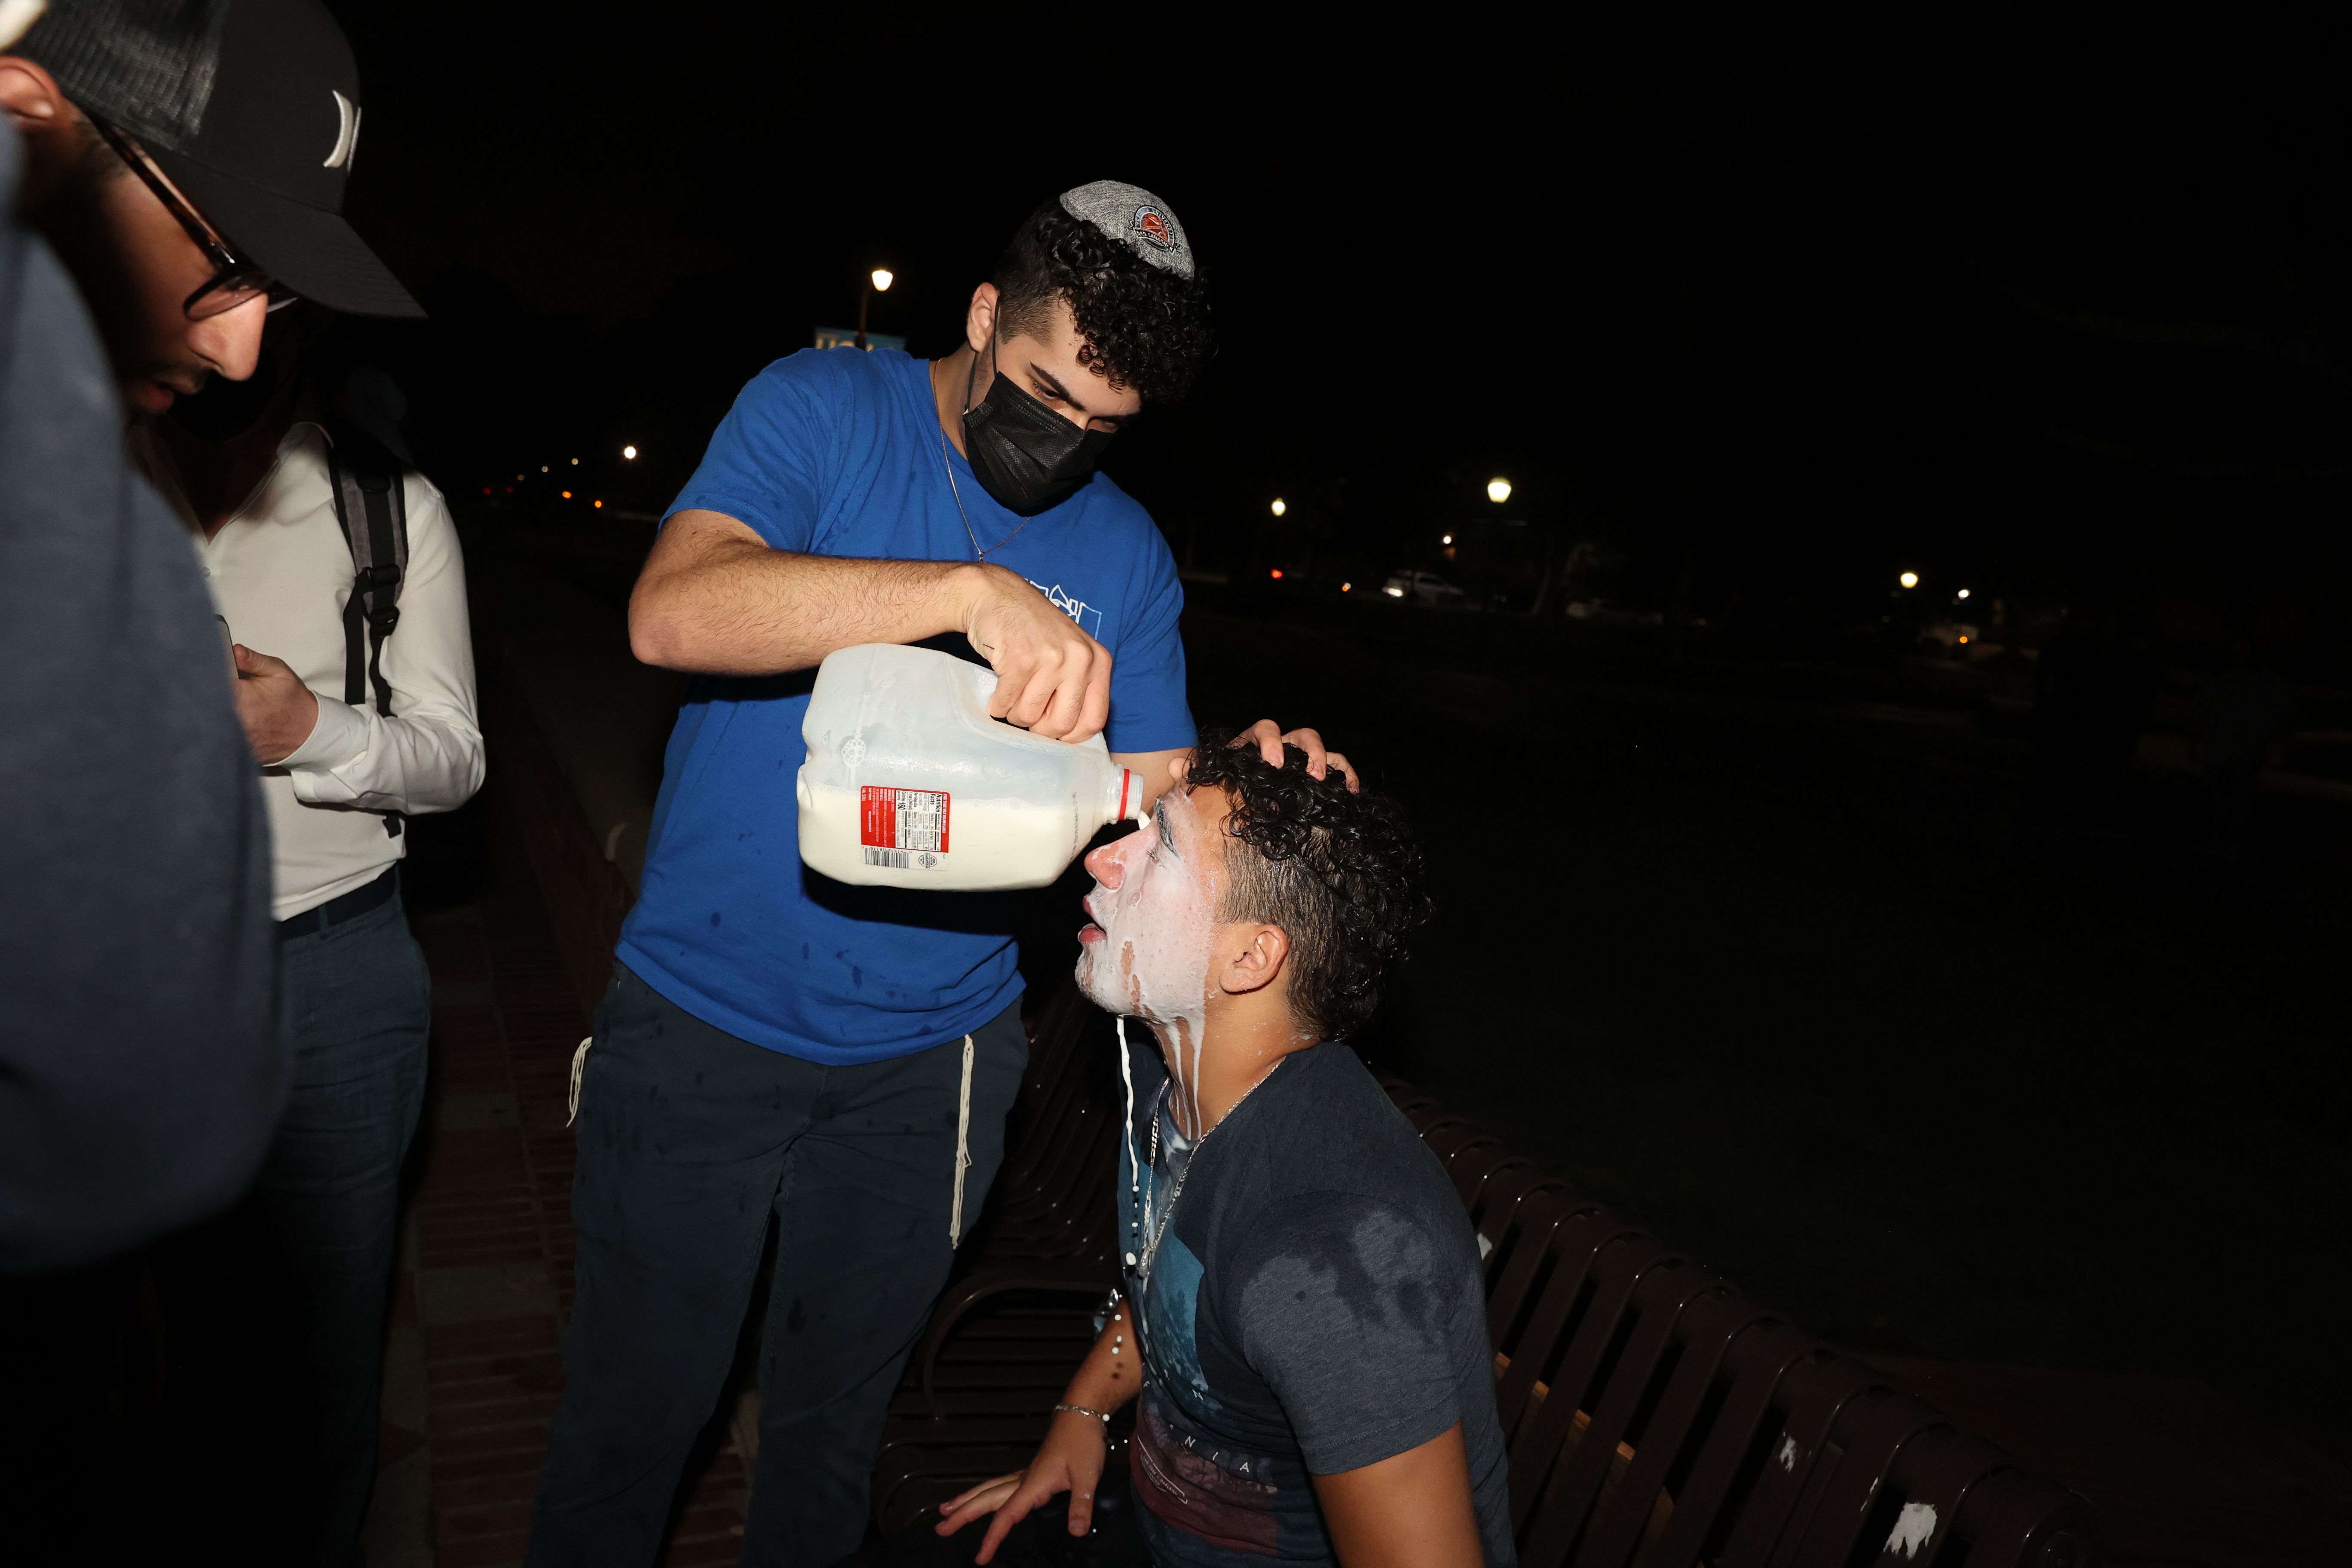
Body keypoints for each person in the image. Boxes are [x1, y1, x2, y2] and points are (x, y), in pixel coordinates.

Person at [528, 182, 1347, 1567]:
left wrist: (1247, 775)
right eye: (1044, 392)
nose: (1067, 444)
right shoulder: (820, 410)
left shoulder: (1126, 555)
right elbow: (673, 612)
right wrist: (962, 596)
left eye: (1107, 428)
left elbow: (1143, 798)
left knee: (829, 1437)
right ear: (981, 315)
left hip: (936, 1069)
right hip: (703, 1023)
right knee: (631, 1420)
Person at [6, 3, 455, 1560]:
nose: (245, 343)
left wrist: (309, 732)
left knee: (288, 1380)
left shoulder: (381, 507)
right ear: (23, 118)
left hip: (326, 969)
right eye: (216, 261)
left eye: (269, 292)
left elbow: (450, 758)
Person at [931, 732, 1513, 1568]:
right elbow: (1165, 1279)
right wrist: (1083, 1414)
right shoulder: (1171, 1072)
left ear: (1249, 957)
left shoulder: (1328, 1254)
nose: (1103, 864)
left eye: (1158, 844)